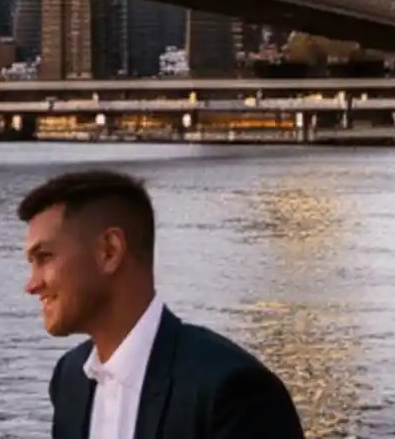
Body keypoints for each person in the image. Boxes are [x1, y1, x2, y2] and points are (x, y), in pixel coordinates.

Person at [18, 169, 304, 439]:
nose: (31, 285)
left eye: (45, 257)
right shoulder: (69, 380)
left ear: (109, 251)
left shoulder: (232, 391)